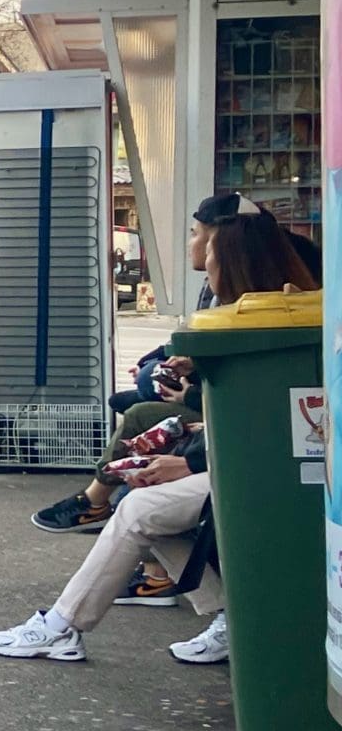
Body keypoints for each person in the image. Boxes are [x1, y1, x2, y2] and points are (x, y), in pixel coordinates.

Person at [30, 194, 315, 533]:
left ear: (224, 246)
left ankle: (118, 529)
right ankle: (111, 517)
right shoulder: (247, 301)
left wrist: (188, 410)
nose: (194, 247)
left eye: (198, 236)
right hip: (221, 427)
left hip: (232, 440)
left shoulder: (252, 314)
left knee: (137, 464)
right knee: (146, 391)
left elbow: (252, 408)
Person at [0, 440, 225, 664]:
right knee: (151, 506)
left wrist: (190, 462)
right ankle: (232, 617)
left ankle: (61, 626)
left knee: (139, 509)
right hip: (229, 456)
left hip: (245, 466)